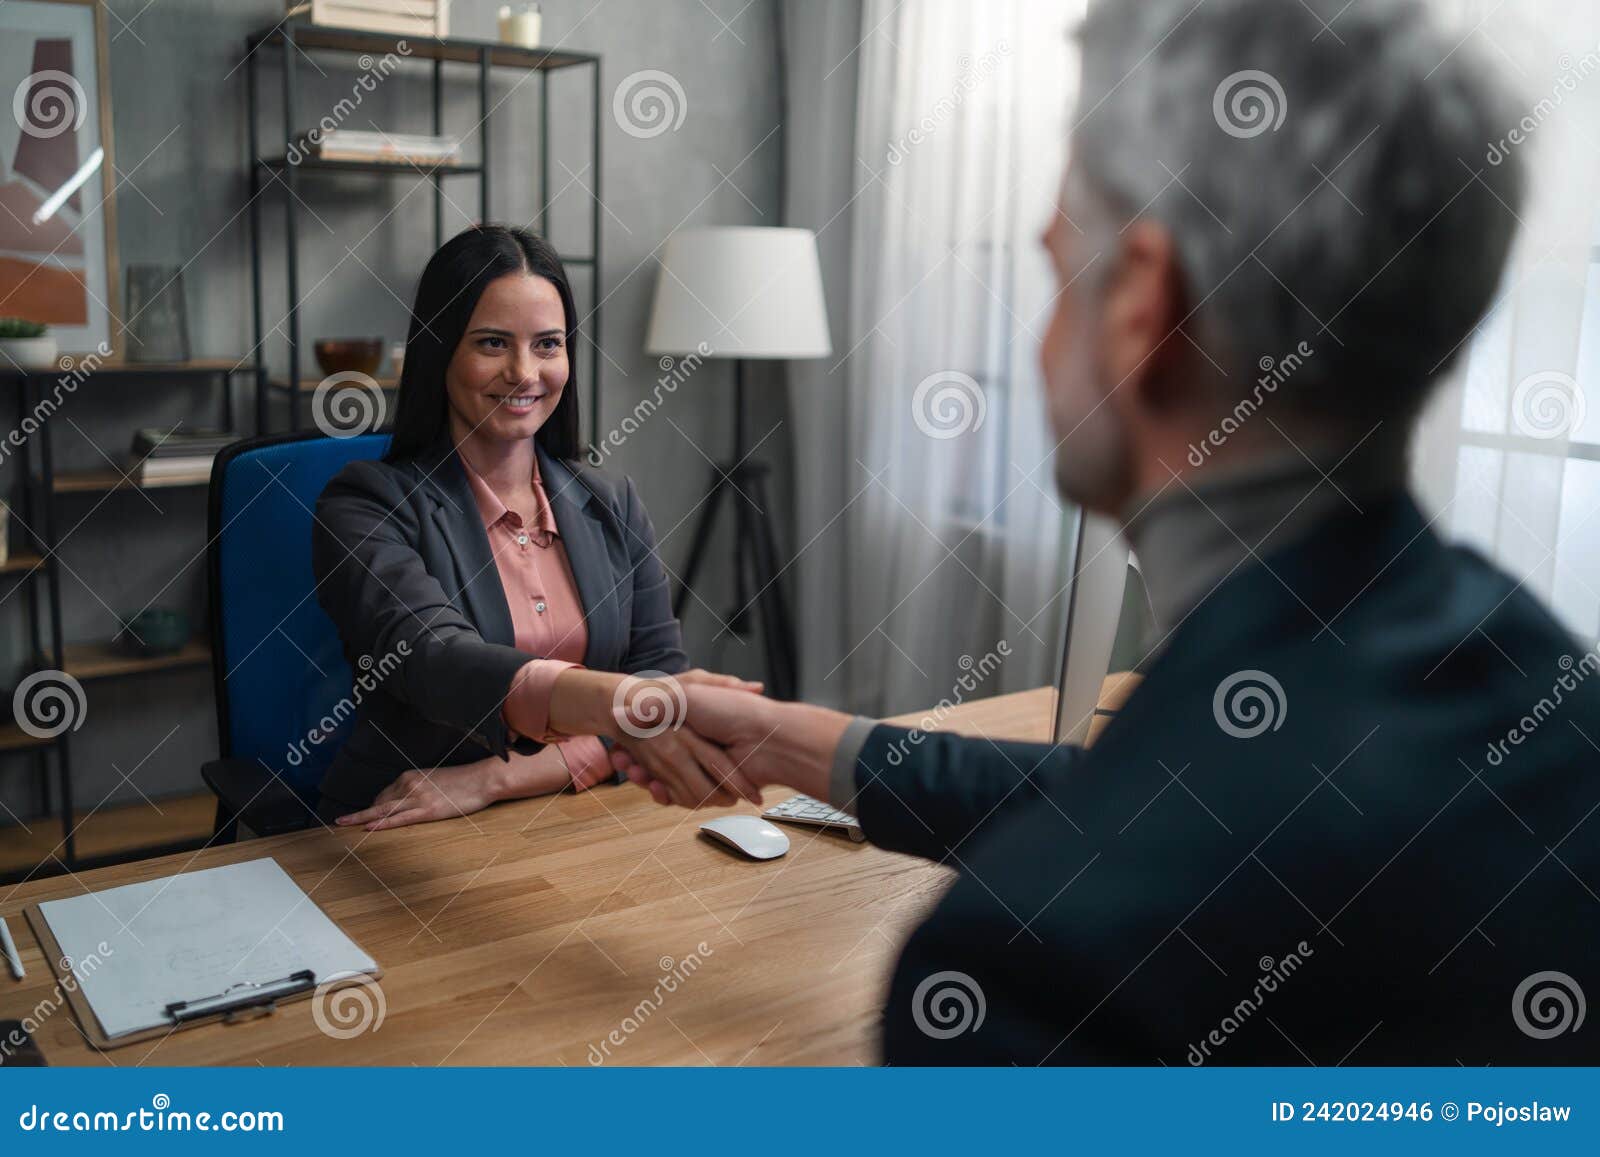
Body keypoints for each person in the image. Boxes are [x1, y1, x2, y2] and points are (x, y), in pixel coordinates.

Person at [613, 0, 1600, 1064]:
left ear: (1139, 303)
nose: (1038, 342)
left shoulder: (1031, 964)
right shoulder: (1548, 699)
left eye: (1054, 269)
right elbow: (1150, 798)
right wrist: (786, 737)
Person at [311, 225, 763, 830]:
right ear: (439, 350)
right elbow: (438, 659)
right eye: (493, 343)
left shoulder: (612, 502)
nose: (525, 372)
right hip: (410, 826)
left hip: (586, 818)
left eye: (548, 344)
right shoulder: (364, 505)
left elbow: (659, 671)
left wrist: (500, 777)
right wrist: (627, 705)